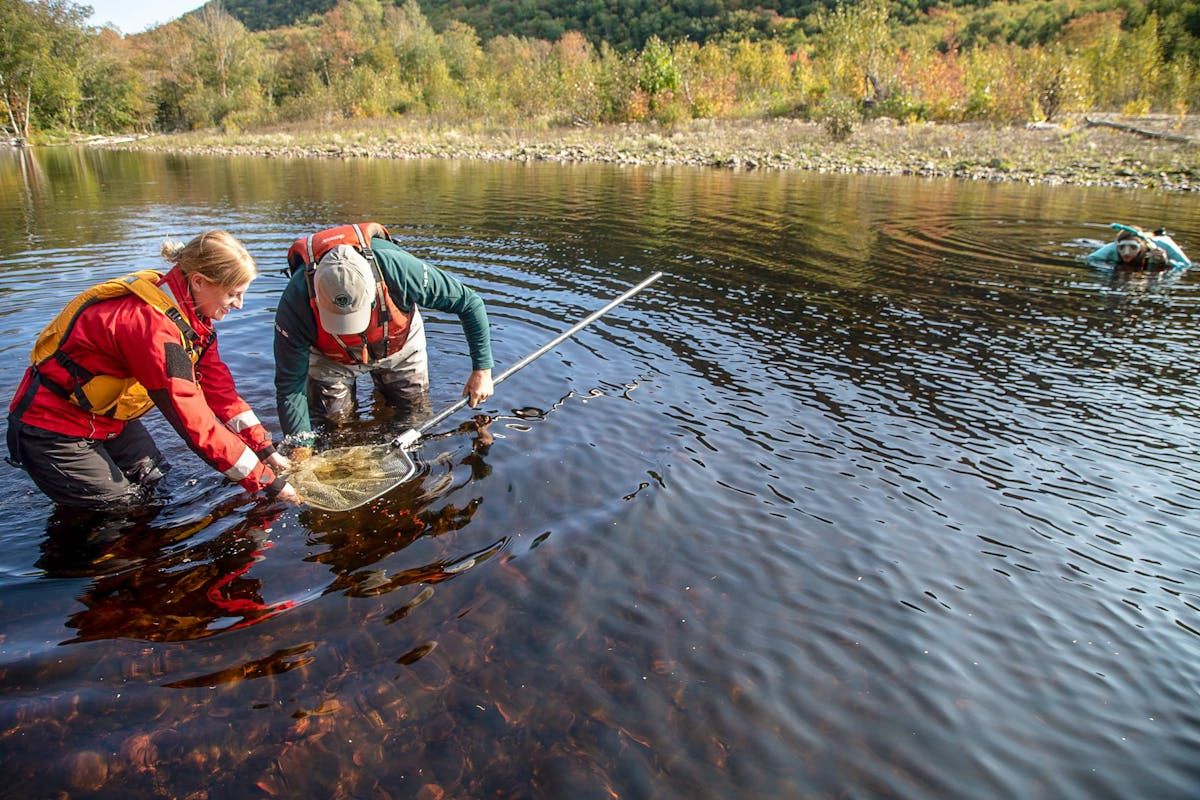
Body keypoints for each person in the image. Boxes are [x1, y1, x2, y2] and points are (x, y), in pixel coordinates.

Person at [6, 231, 297, 509]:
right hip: (51, 428)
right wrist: (266, 482)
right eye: (233, 294)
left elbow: (220, 390)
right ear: (198, 281)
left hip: (107, 417)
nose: (239, 305)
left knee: (157, 484)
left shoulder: (193, 319)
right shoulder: (153, 330)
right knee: (121, 508)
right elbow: (194, 422)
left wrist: (265, 450)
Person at [273, 222, 494, 440]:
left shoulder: (401, 271)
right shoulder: (295, 301)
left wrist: (482, 371)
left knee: (413, 419)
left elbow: (470, 303)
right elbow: (290, 387)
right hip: (330, 359)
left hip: (400, 344)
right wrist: (300, 446)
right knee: (333, 428)